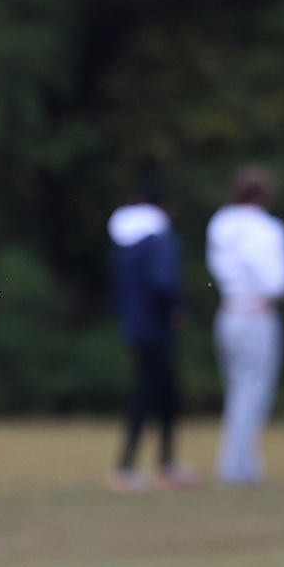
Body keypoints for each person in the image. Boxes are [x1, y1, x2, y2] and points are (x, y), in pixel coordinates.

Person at [206, 165, 284, 486]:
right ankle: (234, 465)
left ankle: (245, 462)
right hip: (256, 314)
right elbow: (277, 280)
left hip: (228, 312)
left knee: (238, 390)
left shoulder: (220, 223)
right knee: (252, 393)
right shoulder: (265, 229)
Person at [107, 184, 195, 491]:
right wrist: (178, 306)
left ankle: (163, 464)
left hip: (134, 327)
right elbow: (163, 281)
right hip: (157, 328)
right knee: (150, 396)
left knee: (163, 395)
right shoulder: (158, 240)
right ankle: (128, 468)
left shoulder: (123, 242)